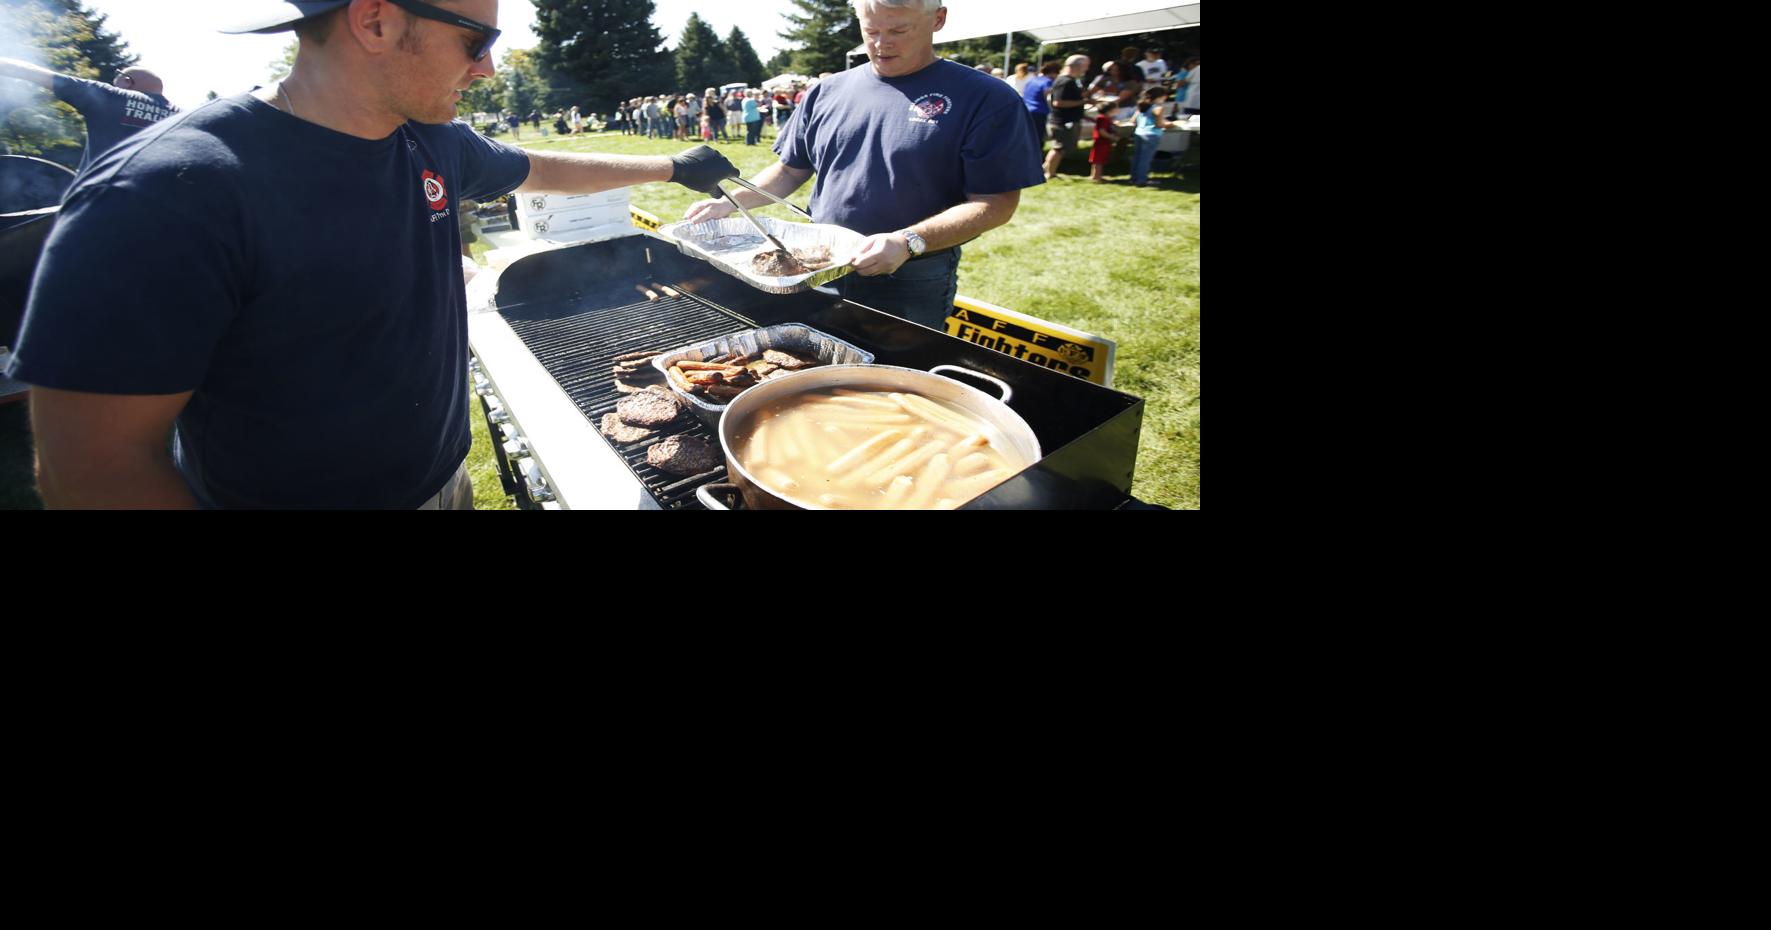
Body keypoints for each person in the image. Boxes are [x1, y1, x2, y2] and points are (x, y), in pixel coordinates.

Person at [4, 0, 738, 509]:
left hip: (445, 481)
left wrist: (670, 167)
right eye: (475, 40)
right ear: (376, 19)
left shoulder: (429, 138)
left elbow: (538, 167)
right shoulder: (166, 191)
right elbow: (89, 470)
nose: (487, 68)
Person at [683, 0, 1043, 331]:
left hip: (911, 273)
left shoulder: (986, 98)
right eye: (871, 31)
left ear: (938, 19)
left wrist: (909, 241)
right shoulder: (827, 91)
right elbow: (791, 170)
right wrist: (728, 203)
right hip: (817, 263)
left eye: (898, 30)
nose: (881, 43)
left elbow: (995, 204)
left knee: (897, 376)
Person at [0, 57, 179, 172]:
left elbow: (37, 74)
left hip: (100, 205)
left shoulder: (112, 97)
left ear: (126, 81)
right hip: (161, 214)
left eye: (117, 75)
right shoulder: (181, 116)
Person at [1043, 54, 1089, 180]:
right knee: (1058, 148)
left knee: (1058, 148)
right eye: (1085, 66)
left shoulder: (1069, 80)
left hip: (1062, 120)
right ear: (1077, 66)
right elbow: (1058, 102)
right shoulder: (1065, 81)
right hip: (1062, 121)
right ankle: (1049, 173)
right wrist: (1083, 102)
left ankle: (1047, 170)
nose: (1086, 70)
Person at [1129, 87, 1173, 187]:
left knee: (1137, 157)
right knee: (1146, 158)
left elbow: (1133, 121)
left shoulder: (1142, 107)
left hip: (1139, 133)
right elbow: (1159, 125)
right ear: (1159, 97)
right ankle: (1142, 180)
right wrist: (1170, 124)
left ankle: (1133, 178)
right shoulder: (1158, 108)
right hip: (1151, 135)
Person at [1021, 60, 1056, 155]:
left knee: (1027, 136)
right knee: (1036, 139)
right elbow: (1048, 97)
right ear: (1053, 73)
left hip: (1026, 110)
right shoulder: (1048, 82)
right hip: (1039, 113)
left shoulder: (1032, 80)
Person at [1088, 98, 1117, 183]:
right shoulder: (1102, 118)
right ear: (1110, 110)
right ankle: (1097, 177)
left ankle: (1094, 175)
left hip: (1103, 142)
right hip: (1101, 142)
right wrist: (1112, 137)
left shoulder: (1105, 118)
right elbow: (1102, 131)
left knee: (1098, 160)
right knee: (1098, 161)